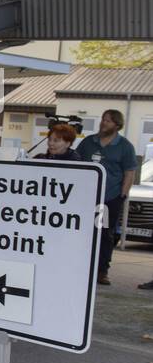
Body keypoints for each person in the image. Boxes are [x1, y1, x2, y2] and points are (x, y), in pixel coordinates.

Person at [77, 109, 138, 286]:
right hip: (86, 198)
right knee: (84, 233)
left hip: (109, 198)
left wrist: (122, 195)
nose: (103, 123)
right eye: (103, 120)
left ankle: (102, 270)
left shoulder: (125, 146)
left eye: (108, 121)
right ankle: (82, 266)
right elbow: (76, 163)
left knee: (104, 234)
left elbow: (129, 172)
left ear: (117, 125)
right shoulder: (89, 142)